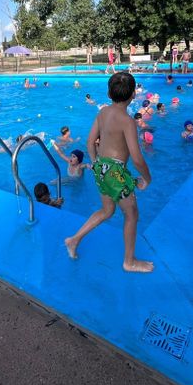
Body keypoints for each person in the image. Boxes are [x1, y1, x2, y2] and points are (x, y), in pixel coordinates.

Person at [64, 72, 153, 272]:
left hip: (101, 167)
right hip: (115, 171)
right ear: (133, 94)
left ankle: (74, 240)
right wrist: (147, 178)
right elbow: (137, 158)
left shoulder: (103, 112)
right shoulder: (127, 121)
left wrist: (96, 163)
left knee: (107, 210)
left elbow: (90, 142)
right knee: (131, 214)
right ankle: (129, 262)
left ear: (108, 93)